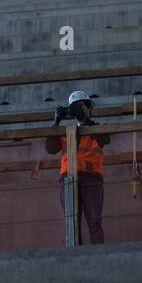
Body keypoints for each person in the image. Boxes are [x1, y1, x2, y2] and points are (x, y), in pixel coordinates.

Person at [46, 90, 111, 244]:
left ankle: (99, 255)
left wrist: (86, 121)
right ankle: (75, 254)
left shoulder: (98, 127)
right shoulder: (65, 132)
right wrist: (56, 122)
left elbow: (104, 139)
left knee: (94, 220)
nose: (82, 109)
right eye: (76, 107)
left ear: (90, 108)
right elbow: (50, 148)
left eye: (84, 105)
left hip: (92, 177)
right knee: (72, 222)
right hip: (68, 178)